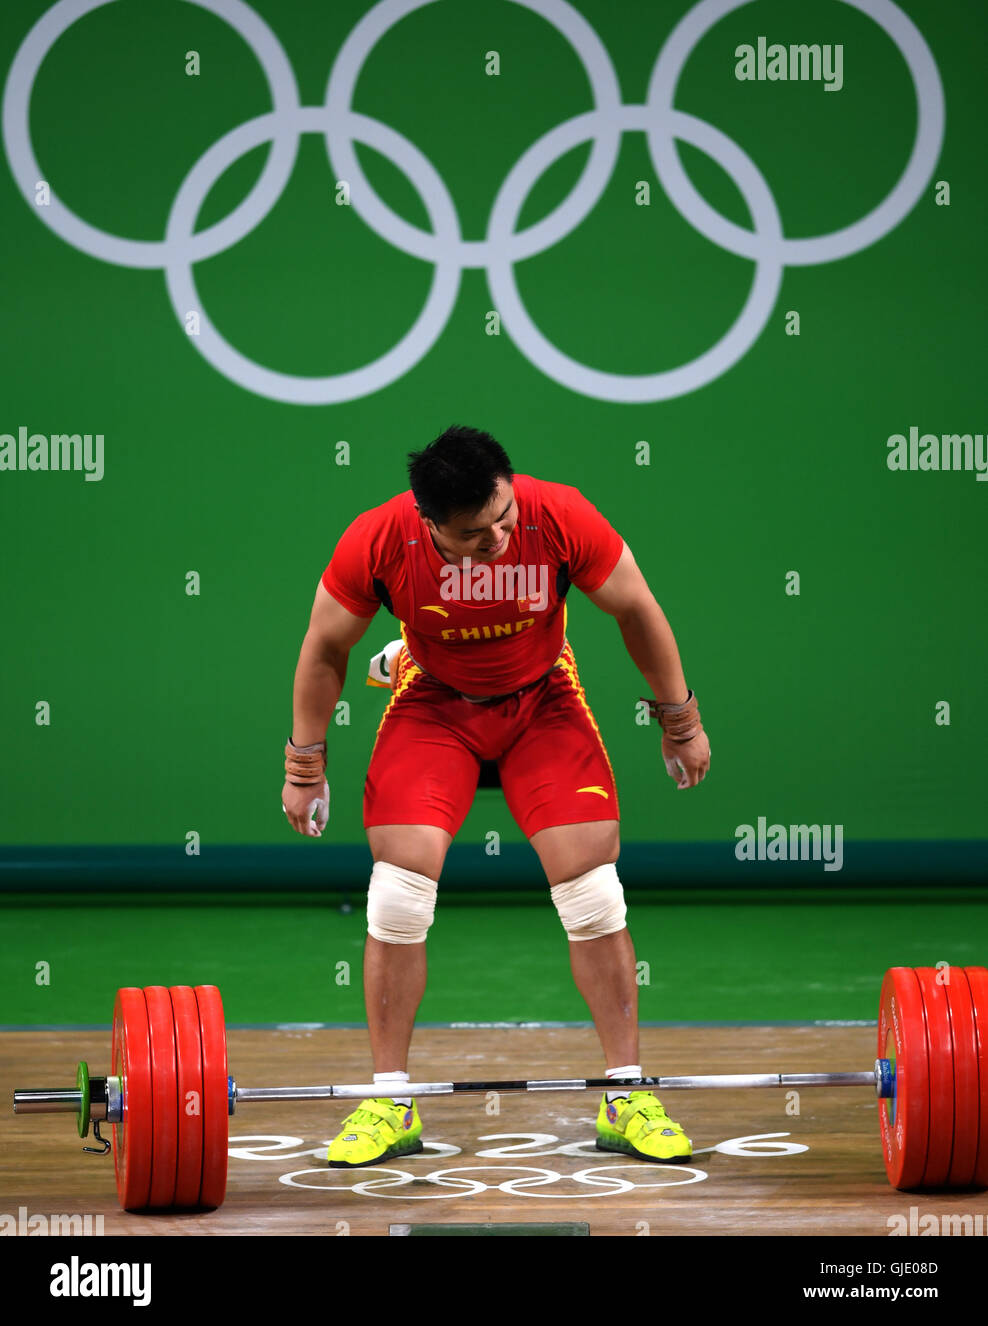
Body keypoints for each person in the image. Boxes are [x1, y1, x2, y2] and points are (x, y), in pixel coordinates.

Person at [282, 425, 710, 1168]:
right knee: (397, 893)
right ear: (431, 525)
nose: (500, 541)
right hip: (436, 702)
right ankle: (389, 1098)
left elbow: (636, 607)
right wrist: (303, 765)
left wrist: (680, 720)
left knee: (593, 889)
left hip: (541, 695)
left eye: (505, 519)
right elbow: (325, 647)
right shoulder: (380, 540)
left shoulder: (560, 515)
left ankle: (627, 1093)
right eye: (475, 537)